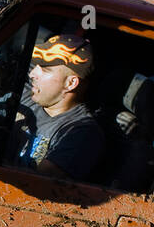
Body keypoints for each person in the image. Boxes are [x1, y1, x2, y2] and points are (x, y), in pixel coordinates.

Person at [10, 33, 105, 181]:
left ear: (70, 83)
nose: (32, 74)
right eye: (36, 66)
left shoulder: (82, 133)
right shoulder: (26, 97)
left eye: (45, 69)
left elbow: (35, 183)